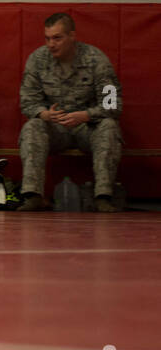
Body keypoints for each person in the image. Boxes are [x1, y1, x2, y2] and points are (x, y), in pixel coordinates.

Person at [16, 12, 123, 212]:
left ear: (72, 36)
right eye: (47, 38)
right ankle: (32, 195)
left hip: (88, 127)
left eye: (57, 38)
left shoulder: (97, 60)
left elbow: (112, 105)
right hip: (56, 128)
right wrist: (44, 114)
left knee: (109, 127)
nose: (51, 44)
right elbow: (28, 102)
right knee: (32, 126)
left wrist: (86, 115)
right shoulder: (37, 60)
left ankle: (103, 197)